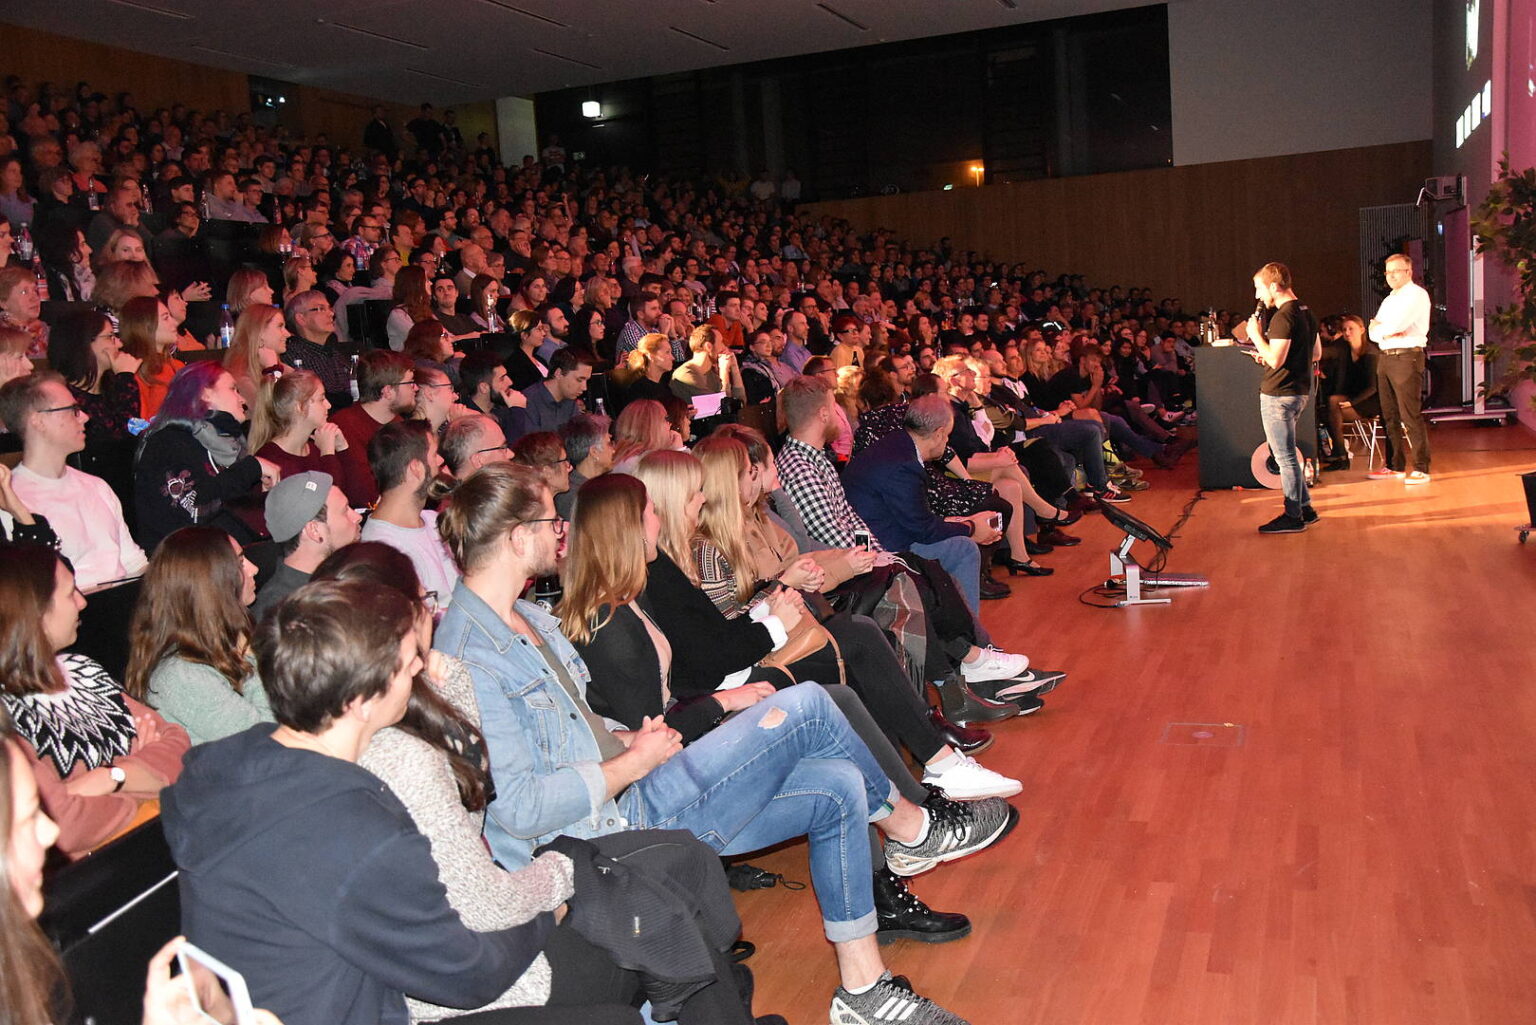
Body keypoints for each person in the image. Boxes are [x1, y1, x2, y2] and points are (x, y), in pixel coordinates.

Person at [434, 463, 1010, 1025]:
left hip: (631, 786)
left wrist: (630, 739)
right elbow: (521, 809)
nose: (562, 531)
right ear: (518, 538)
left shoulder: (528, 619)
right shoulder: (470, 658)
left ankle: (863, 990)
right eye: (550, 522)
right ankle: (912, 827)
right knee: (810, 704)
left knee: (837, 786)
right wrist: (634, 760)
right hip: (602, 830)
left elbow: (581, 729)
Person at [330, 542, 759, 1024]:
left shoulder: (402, 712)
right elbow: (490, 873)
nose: (433, 614)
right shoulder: (399, 753)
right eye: (423, 603)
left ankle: (723, 1003)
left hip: (498, 916)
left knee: (679, 868)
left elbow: (477, 815)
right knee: (663, 900)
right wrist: (561, 876)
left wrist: (446, 683)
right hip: (487, 959)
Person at [162, 579, 569, 1025]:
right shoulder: (355, 826)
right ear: (361, 702)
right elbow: (469, 976)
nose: (419, 665)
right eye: (406, 662)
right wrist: (549, 914)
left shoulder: (218, 766)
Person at [0, 543, 189, 856]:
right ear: (34, 612)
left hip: (166, 839)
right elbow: (64, 824)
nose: (82, 602)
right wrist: (142, 773)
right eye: (69, 593)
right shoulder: (7, 716)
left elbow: (177, 745)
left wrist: (108, 777)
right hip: (109, 869)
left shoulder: (81, 669)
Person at [0, 371, 147, 589]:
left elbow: (134, 564)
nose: (85, 417)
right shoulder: (11, 499)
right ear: (38, 421)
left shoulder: (96, 486)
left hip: (121, 603)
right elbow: (32, 591)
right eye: (73, 410)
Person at [126, 526, 271, 745]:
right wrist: (249, 658)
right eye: (240, 563)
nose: (254, 569)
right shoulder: (182, 675)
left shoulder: (222, 643)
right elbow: (267, 739)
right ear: (210, 584)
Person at [133, 362, 275, 552]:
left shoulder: (225, 443)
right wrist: (251, 468)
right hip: (182, 559)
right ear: (205, 394)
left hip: (216, 553)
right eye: (233, 389)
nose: (242, 399)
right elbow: (195, 510)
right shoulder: (168, 442)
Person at [1245, 262, 1319, 534]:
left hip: (1279, 394)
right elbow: (1316, 353)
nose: (1257, 295)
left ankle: (1293, 516)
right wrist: (1266, 353)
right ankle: (1306, 509)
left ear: (1274, 286)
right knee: (1287, 454)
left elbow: (1276, 360)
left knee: (1284, 457)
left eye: (1259, 288)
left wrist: (1256, 337)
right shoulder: (1306, 312)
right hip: (1299, 391)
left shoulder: (1282, 316)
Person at [362, 419, 459, 606]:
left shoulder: (433, 521)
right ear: (416, 468)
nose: (440, 461)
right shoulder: (385, 551)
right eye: (434, 455)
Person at [251, 470, 362, 621]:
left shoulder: (338, 577)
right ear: (314, 530)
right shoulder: (284, 612)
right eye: (345, 511)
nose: (357, 517)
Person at [1367, 253, 1432, 484]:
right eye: (1388, 272)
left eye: (1397, 271)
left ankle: (1421, 467)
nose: (1391, 276)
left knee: (1409, 414)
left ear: (1409, 272)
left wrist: (1384, 328)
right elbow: (1372, 332)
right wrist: (1385, 330)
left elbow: (1396, 325)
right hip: (1386, 357)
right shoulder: (1389, 299)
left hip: (1406, 357)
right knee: (1389, 415)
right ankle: (1395, 465)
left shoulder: (1416, 295)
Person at [330, 349, 417, 508]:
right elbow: (363, 496)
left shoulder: (400, 425)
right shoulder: (344, 426)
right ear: (388, 391)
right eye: (410, 383)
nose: (416, 388)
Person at [555, 412, 612, 520]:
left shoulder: (597, 485)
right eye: (609, 444)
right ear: (594, 452)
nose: (614, 450)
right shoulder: (576, 497)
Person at [520, 348, 591, 434]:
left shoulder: (570, 400)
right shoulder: (527, 401)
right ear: (558, 373)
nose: (584, 387)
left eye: (586, 381)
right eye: (579, 380)